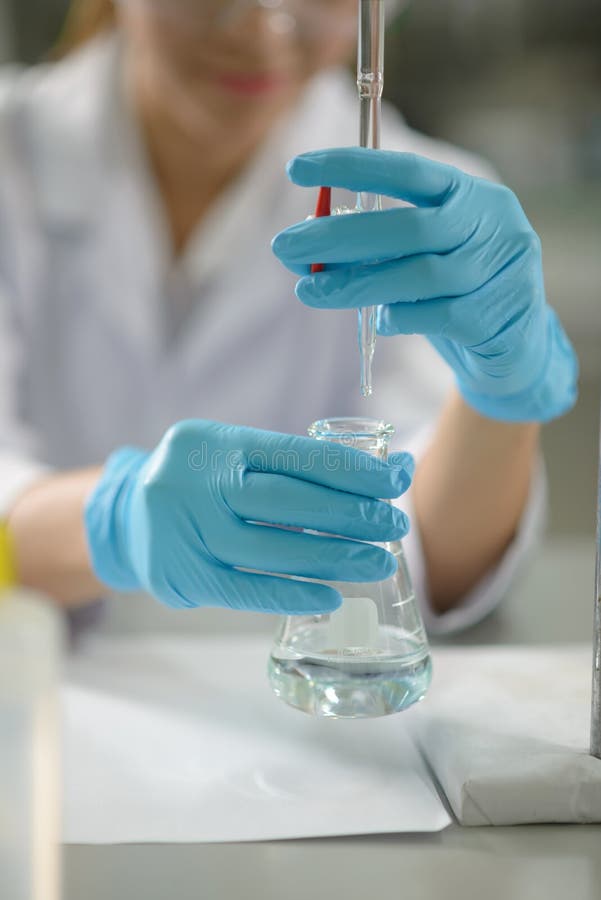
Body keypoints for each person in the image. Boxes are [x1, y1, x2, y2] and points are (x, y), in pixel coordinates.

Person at [0, 0, 577, 635]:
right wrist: (112, 523)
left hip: (291, 709)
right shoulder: (12, 155)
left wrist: (500, 400)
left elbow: (426, 556)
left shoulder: (429, 215)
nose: (262, 29)